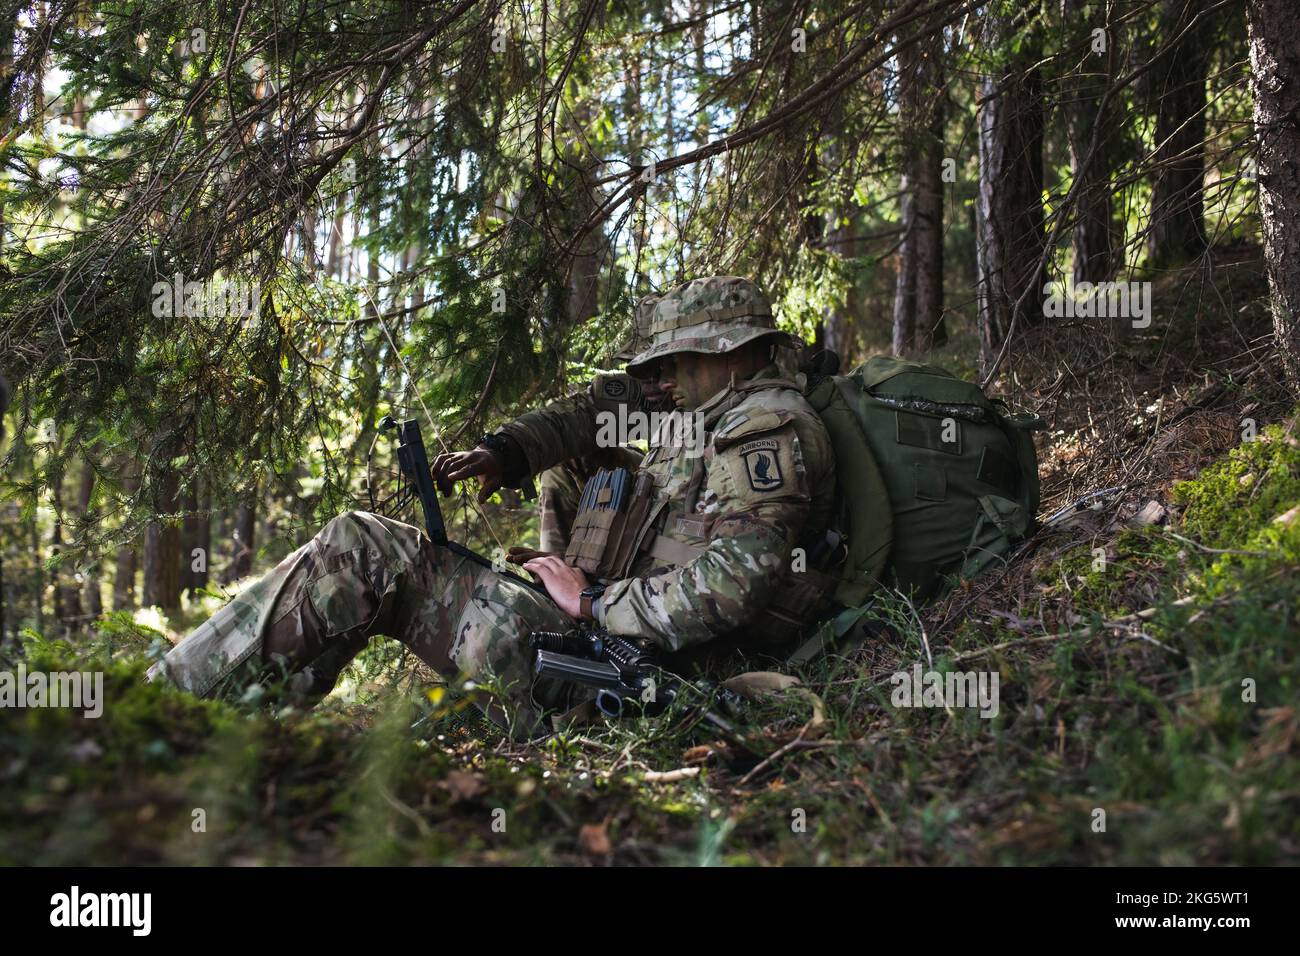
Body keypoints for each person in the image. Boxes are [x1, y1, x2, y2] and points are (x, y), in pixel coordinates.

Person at [146, 276, 838, 740]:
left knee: (362, 547)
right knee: (581, 464)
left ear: (729, 354)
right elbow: (597, 411)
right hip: (601, 643)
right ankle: (218, 723)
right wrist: (506, 453)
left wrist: (592, 603)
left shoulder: (763, 429)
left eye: (669, 364)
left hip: (620, 676)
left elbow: (735, 584)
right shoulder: (713, 408)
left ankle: (160, 717)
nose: (656, 382)